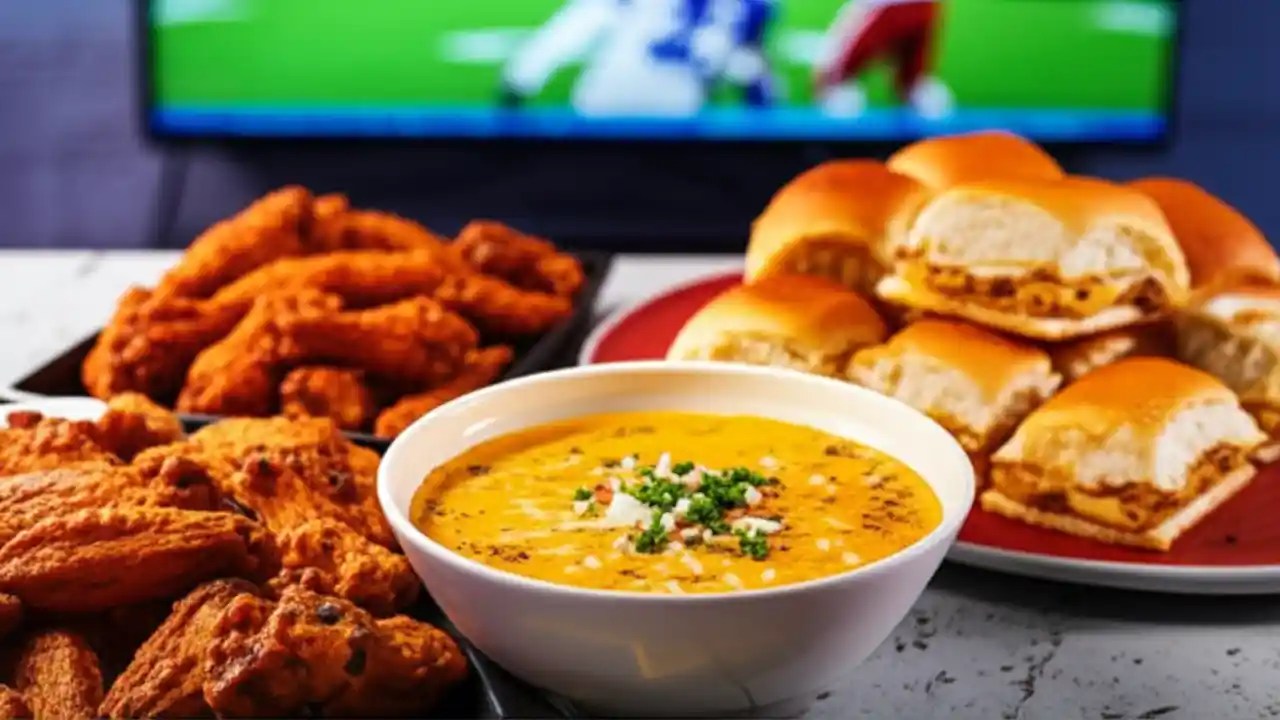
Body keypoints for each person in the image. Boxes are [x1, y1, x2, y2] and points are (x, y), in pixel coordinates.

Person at [814, 0, 954, 119]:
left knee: (835, 81)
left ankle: (917, 91)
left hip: (887, 7)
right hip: (915, 7)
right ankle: (917, 91)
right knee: (916, 85)